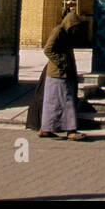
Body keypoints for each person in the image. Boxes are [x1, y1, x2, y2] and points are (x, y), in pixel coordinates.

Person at [39, 10, 86, 140]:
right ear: (70, 23)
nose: (76, 29)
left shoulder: (67, 34)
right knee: (67, 101)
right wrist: (61, 62)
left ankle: (45, 129)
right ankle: (71, 130)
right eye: (75, 26)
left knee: (53, 104)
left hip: (61, 74)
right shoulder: (59, 31)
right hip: (58, 74)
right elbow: (48, 49)